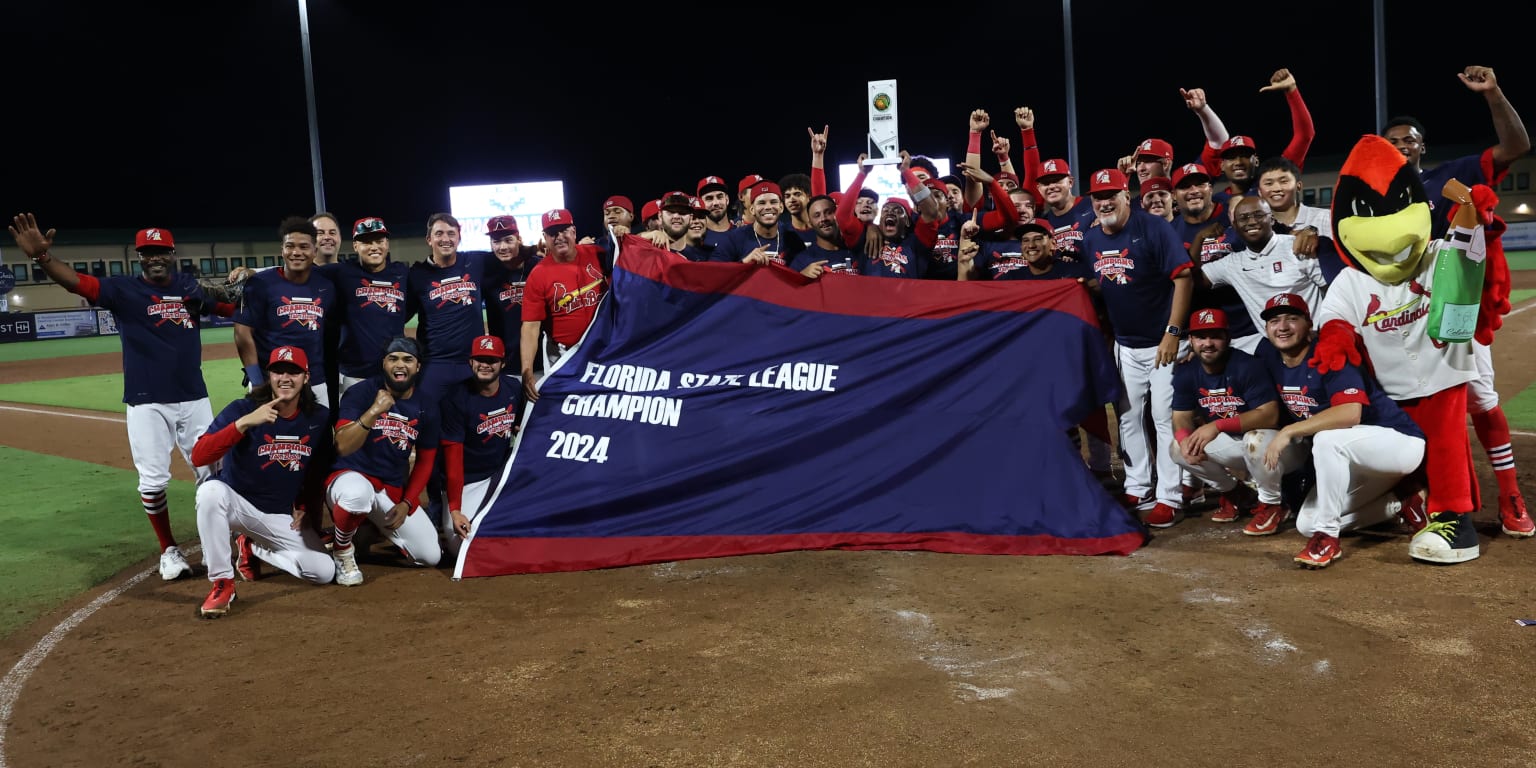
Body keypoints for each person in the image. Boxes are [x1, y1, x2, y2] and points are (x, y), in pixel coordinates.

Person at [10, 214, 235, 580]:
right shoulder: (122, 290)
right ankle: (169, 551)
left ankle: (215, 546)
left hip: (194, 397)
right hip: (146, 400)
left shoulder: (191, 288)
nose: (155, 257)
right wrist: (43, 259)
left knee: (211, 471)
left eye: (161, 250)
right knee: (153, 480)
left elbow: (233, 308)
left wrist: (256, 290)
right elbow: (77, 283)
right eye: (148, 252)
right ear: (139, 256)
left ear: (172, 253)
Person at [1381, 65, 1531, 534]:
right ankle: (1417, 495)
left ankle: (1510, 497)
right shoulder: (1374, 198)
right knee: (1402, 404)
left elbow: (1516, 148)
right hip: (1396, 315)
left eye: (1410, 140)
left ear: (1422, 146)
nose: (1402, 147)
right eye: (1394, 142)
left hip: (1451, 308)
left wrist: (1493, 95)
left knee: (1481, 399)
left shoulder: (1453, 174)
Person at [1252, 293, 1428, 568]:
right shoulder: (1268, 355)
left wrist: (1288, 431)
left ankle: (1328, 538)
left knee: (1326, 439)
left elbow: (1350, 413)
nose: (1282, 327)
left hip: (1396, 442)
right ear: (1266, 328)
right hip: (1353, 457)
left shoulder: (1329, 351)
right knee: (1306, 523)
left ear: (1308, 324)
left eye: (1292, 319)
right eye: (1275, 320)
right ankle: (1402, 501)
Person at [1076, 168, 1194, 527]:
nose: (1105, 202)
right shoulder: (1091, 238)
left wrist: (1173, 332)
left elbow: (1184, 278)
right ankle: (1139, 484)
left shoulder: (1152, 228)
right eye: (1098, 197)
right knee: (1127, 418)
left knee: (1163, 419)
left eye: (1112, 194)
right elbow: (1108, 280)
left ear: (1127, 195)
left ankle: (1170, 496)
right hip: (1126, 345)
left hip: (1163, 343)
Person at [189, 345, 335, 617]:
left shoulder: (318, 418)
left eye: (293, 372)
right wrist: (242, 424)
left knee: (323, 571)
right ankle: (222, 582)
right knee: (209, 492)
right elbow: (199, 456)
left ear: (306, 377)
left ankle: (254, 548)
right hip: (236, 505)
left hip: (277, 515)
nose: (285, 378)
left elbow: (315, 469)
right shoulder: (243, 409)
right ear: (269, 376)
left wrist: (303, 504)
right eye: (278, 371)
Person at [326, 336, 444, 585]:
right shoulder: (361, 393)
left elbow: (425, 460)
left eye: (408, 359)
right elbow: (343, 446)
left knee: (429, 555)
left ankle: (363, 527)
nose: (400, 365)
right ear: (384, 364)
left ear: (418, 367)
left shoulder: (426, 405)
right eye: (393, 358)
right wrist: (374, 411)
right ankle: (342, 549)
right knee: (357, 495)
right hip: (348, 478)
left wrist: (408, 502)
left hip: (387, 488)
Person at [1167, 308, 1288, 532]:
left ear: (1228, 338)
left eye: (1215, 336)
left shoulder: (1248, 365)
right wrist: (1185, 438)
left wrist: (1217, 425)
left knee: (1255, 439)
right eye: (1201, 337)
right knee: (1177, 447)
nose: (1208, 343)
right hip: (1234, 445)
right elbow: (1181, 416)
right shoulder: (1186, 371)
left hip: (1271, 447)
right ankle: (1236, 493)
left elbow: (1270, 415)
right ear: (1191, 340)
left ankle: (1273, 504)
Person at [1193, 196, 1327, 353]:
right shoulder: (1232, 264)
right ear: (1235, 226)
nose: (1251, 222)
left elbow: (1332, 288)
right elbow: (1194, 281)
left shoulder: (1296, 246)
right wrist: (1199, 239)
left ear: (1271, 219)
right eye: (1243, 218)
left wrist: (1327, 329)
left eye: (1258, 215)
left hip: (1315, 340)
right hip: (1275, 349)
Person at [439, 335, 524, 558]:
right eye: (479, 359)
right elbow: (453, 459)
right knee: (460, 545)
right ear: (470, 361)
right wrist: (455, 509)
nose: (485, 365)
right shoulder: (455, 398)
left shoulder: (513, 388)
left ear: (503, 364)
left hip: (500, 476)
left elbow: (523, 427)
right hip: (467, 481)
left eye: (492, 360)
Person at [235, 216, 335, 405]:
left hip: (314, 380)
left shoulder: (326, 286)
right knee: (267, 434)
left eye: (304, 247)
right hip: (270, 380)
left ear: (315, 251)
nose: (296, 252)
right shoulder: (260, 284)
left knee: (318, 433)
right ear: (282, 250)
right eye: (290, 246)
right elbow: (242, 332)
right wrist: (256, 380)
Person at [521, 208, 608, 401]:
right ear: (545, 237)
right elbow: (530, 327)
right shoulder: (539, 274)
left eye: (563, 230)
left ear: (574, 232)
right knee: (565, 406)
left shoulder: (598, 254)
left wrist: (651, 233)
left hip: (604, 350)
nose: (559, 237)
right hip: (564, 355)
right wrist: (527, 369)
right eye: (552, 233)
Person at [404, 212, 492, 404]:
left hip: (472, 362)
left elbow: (510, 256)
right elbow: (399, 314)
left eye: (451, 234)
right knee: (431, 422)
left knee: (472, 422)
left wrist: (535, 249)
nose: (446, 239)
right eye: (439, 233)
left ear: (459, 237)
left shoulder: (476, 262)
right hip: (434, 365)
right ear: (429, 239)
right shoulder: (417, 274)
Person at [332, 217, 411, 397]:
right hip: (355, 373)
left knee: (393, 424)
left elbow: (410, 306)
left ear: (387, 244)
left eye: (379, 241)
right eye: (367, 242)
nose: (374, 247)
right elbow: (304, 272)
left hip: (393, 371)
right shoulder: (342, 273)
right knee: (354, 422)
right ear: (355, 246)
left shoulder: (402, 273)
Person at [481, 214, 542, 371]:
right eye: (496, 241)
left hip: (542, 360)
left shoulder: (538, 266)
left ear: (519, 239)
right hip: (503, 362)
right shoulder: (485, 269)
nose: (502, 247)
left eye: (508, 240)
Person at [709, 181, 807, 268]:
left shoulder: (792, 238)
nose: (768, 207)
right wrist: (744, 263)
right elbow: (713, 271)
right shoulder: (734, 238)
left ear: (781, 207)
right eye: (761, 203)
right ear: (752, 210)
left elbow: (804, 268)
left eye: (773, 202)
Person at [1035, 158, 1096, 260]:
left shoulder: (1094, 205)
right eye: (1046, 183)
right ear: (1039, 189)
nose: (1051, 186)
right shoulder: (1043, 223)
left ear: (1070, 182)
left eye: (1057, 180)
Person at [695, 175, 735, 249]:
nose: (716, 203)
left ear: (727, 199)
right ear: (700, 204)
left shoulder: (741, 233)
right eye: (709, 198)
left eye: (719, 197)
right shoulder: (694, 236)